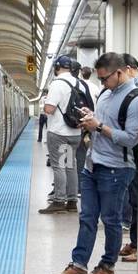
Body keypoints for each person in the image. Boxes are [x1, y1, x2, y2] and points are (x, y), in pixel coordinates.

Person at [51, 52, 138, 274]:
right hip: (92, 165)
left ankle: (107, 266)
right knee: (87, 216)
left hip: (116, 169)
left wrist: (99, 126)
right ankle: (79, 264)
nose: (102, 83)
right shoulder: (105, 93)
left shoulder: (135, 99)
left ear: (119, 72)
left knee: (110, 220)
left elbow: (131, 139)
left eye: (105, 78)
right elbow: (102, 123)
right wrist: (90, 118)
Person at [38, 57, 82, 214]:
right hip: (75, 133)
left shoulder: (57, 84)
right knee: (70, 165)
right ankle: (72, 201)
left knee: (59, 166)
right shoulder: (78, 82)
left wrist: (45, 105)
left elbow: (49, 109)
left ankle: (58, 201)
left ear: (57, 68)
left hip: (59, 133)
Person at [119, 53, 138, 263]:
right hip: (136, 152)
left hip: (137, 152)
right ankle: (135, 243)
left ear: (127, 69)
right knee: (135, 199)